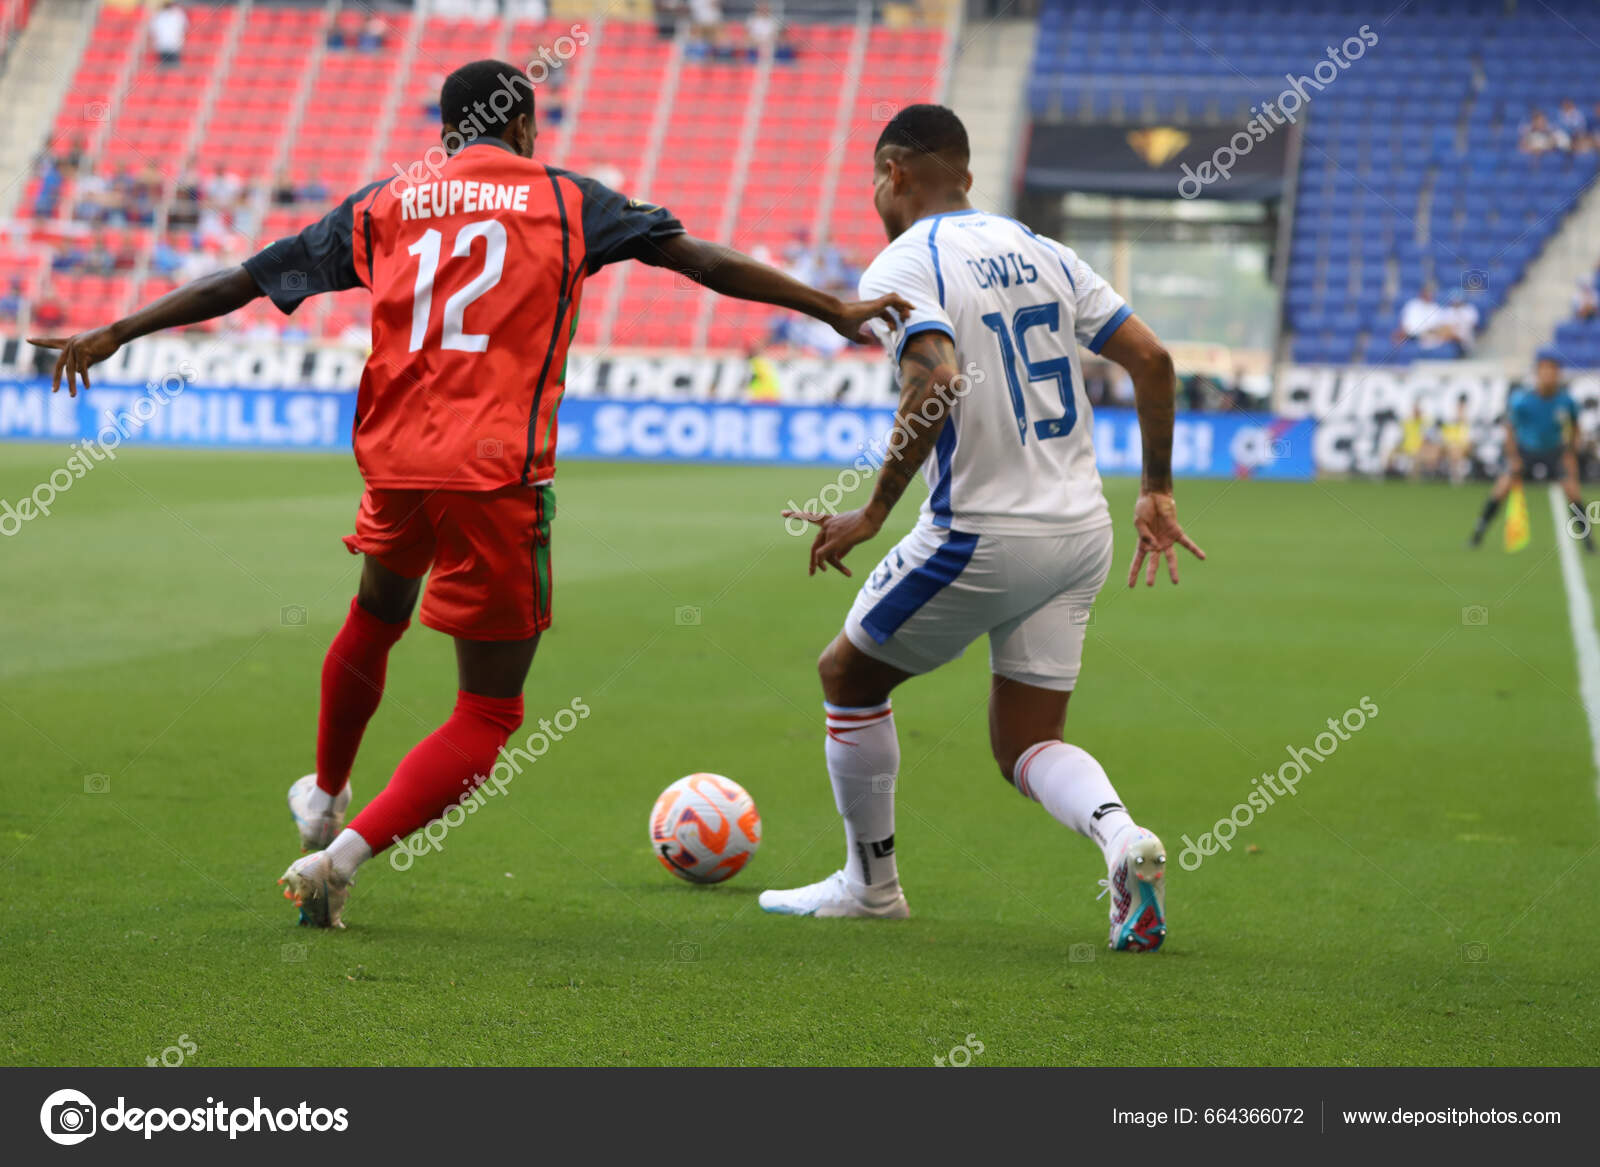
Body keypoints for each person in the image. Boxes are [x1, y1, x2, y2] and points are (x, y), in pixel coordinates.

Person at [30, 60, 911, 930]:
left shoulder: (385, 202)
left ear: (447, 133)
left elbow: (248, 279)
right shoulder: (567, 199)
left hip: (396, 460)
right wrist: (829, 306)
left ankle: (325, 794)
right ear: (524, 127)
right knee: (488, 710)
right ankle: (338, 861)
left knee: (376, 612)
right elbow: (701, 261)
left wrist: (119, 329)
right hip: (494, 474)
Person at [763, 106, 1204, 952]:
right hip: (1081, 530)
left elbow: (935, 378)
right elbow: (1153, 360)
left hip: (982, 533)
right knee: (1029, 741)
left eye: (875, 181)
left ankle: (871, 888)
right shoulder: (1044, 250)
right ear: (965, 172)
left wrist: (874, 510)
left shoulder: (906, 261)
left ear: (894, 172)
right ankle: (1123, 840)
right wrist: (1157, 489)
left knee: (847, 676)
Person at [1470, 351, 1592, 551]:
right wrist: (1514, 457)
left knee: (1572, 490)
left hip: (1554, 451)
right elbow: (1510, 429)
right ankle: (1478, 531)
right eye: (1544, 371)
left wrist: (1570, 452)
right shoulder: (1522, 400)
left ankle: (1587, 538)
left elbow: (1575, 427)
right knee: (1502, 487)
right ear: (1537, 374)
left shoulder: (1566, 401)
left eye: (1552, 372)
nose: (1549, 376)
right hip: (1526, 451)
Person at [150, 2, 187, 67]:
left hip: (171, 44)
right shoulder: (177, 14)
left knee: (170, 67)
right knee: (168, 67)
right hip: (166, 45)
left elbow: (153, 30)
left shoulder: (159, 15)